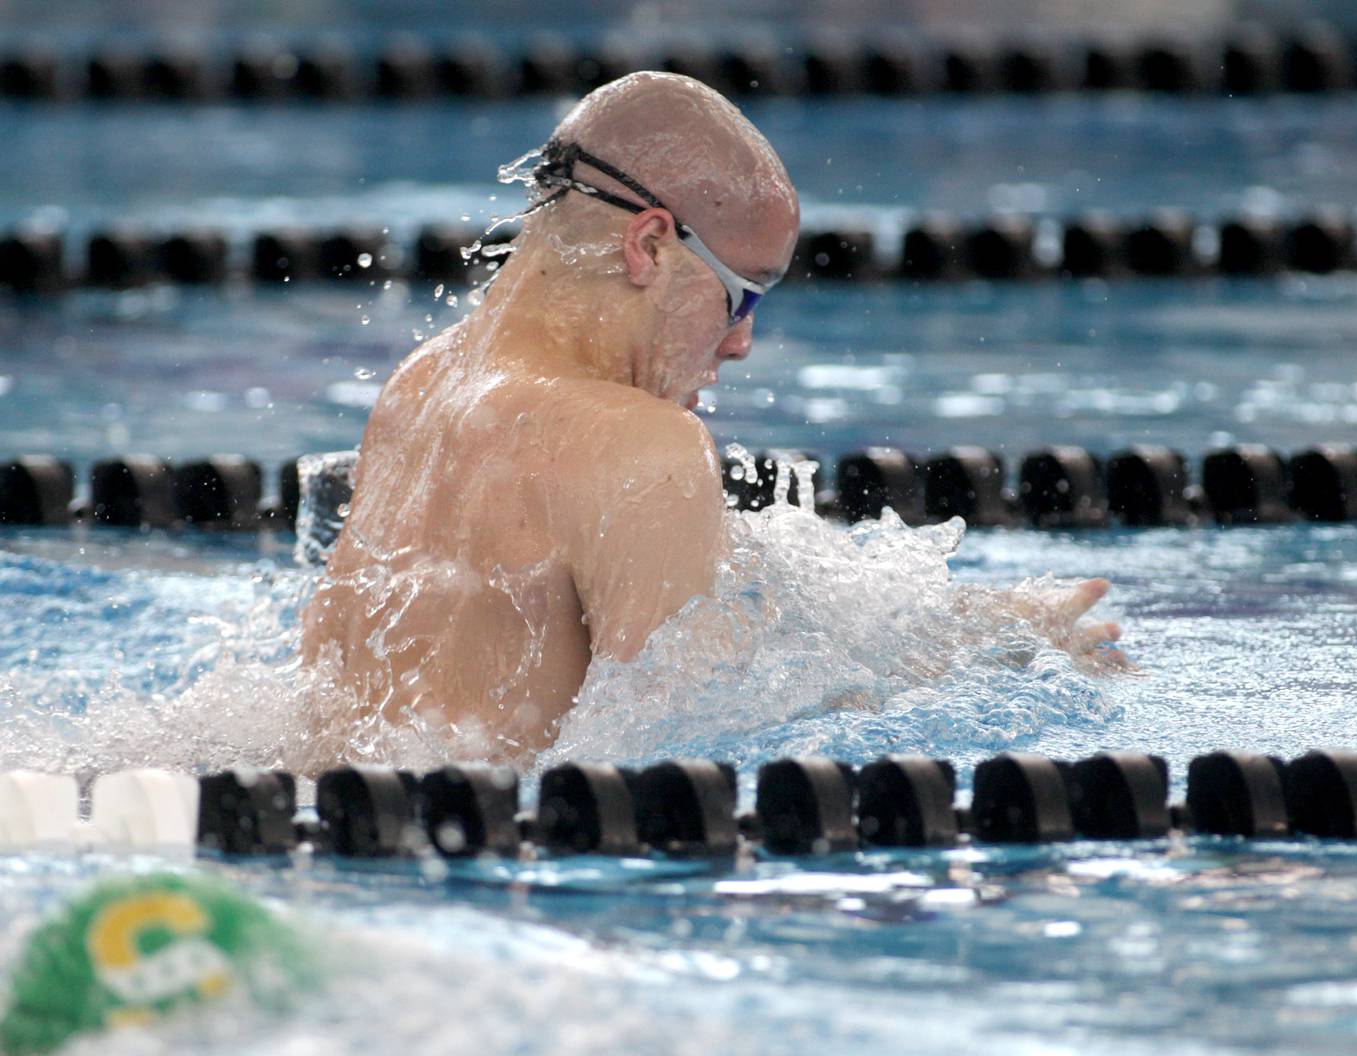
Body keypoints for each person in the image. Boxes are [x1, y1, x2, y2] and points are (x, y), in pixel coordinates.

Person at [300, 71, 1123, 759]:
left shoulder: (423, 382)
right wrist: (989, 657)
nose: (742, 343)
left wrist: (950, 627)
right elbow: (692, 740)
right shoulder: (640, 447)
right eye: (741, 295)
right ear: (650, 246)